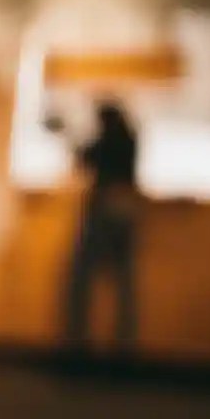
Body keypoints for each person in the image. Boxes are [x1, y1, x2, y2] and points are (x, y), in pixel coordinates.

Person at [66, 101, 140, 352]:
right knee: (123, 281)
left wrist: (69, 138)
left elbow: (85, 159)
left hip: (104, 209)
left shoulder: (109, 140)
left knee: (81, 276)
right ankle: (124, 342)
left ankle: (77, 340)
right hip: (126, 209)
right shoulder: (129, 139)